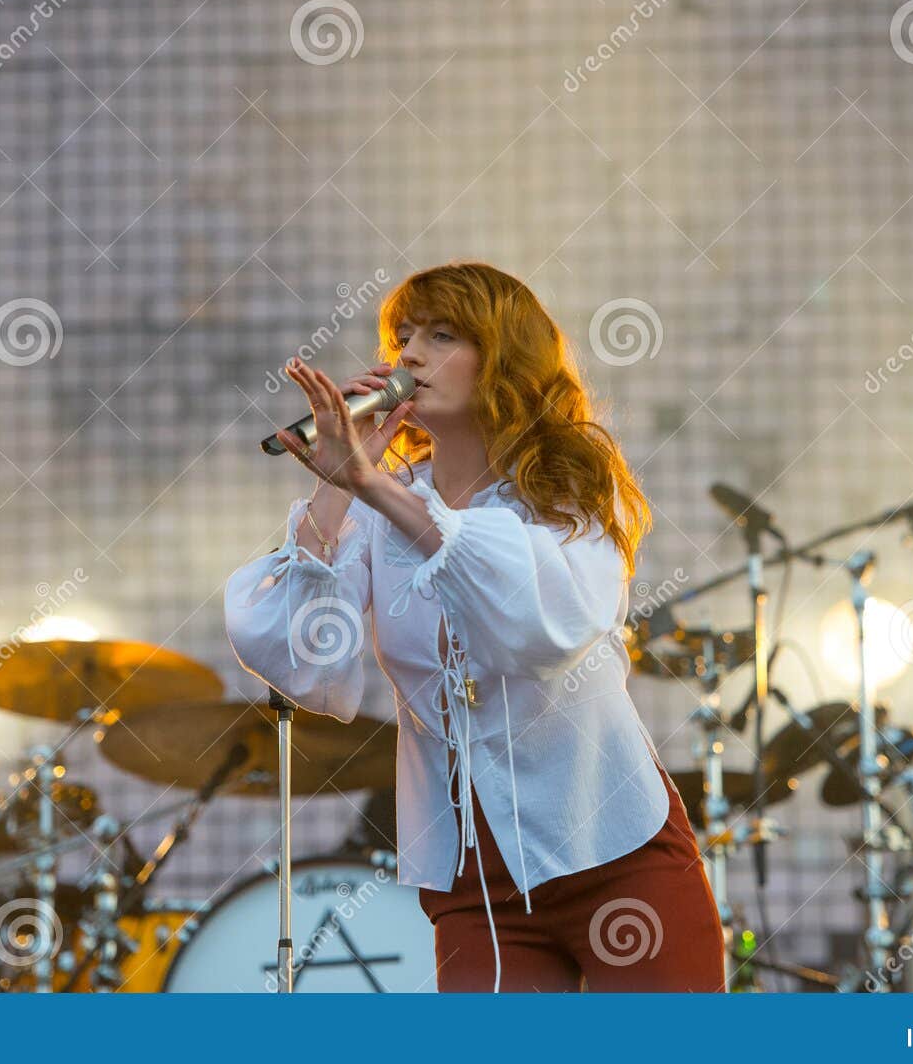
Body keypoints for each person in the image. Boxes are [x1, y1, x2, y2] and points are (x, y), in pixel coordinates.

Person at [223, 261, 725, 992]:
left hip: (613, 851)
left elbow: (545, 628)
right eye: (402, 337)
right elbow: (300, 659)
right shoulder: (378, 502)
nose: (411, 355)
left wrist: (376, 490)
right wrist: (336, 492)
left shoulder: (565, 493)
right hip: (474, 883)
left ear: (503, 359)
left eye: (442, 334)